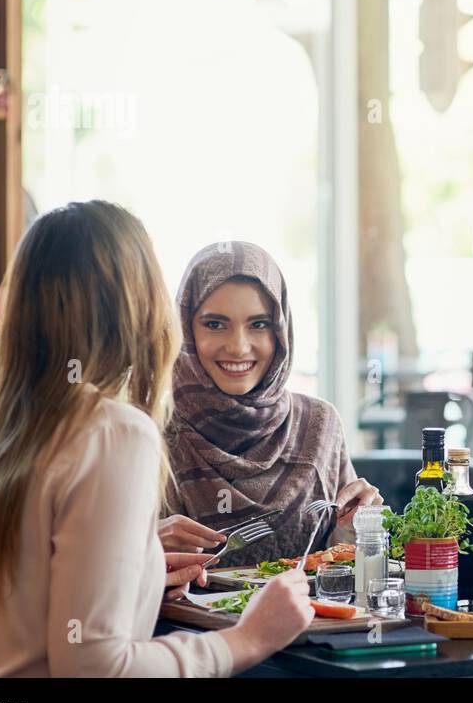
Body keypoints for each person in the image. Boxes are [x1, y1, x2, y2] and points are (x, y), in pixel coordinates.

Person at [0, 201, 314, 676]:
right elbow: (95, 667)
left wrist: (137, 558)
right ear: (140, 305)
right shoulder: (113, 432)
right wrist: (247, 639)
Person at [161, 241, 380, 568]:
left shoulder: (318, 425)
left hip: (317, 619)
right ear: (184, 329)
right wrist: (142, 546)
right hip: (184, 621)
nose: (238, 346)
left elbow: (343, 558)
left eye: (258, 324)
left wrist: (363, 524)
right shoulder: (150, 429)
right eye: (215, 324)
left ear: (281, 331)